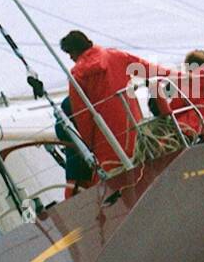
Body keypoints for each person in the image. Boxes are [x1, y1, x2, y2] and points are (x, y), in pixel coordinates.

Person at [59, 30, 172, 173]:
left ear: (75, 50)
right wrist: (180, 76)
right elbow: (149, 69)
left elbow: (82, 116)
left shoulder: (77, 74)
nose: (70, 57)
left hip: (107, 145)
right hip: (135, 134)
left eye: (70, 53)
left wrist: (89, 144)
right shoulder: (116, 56)